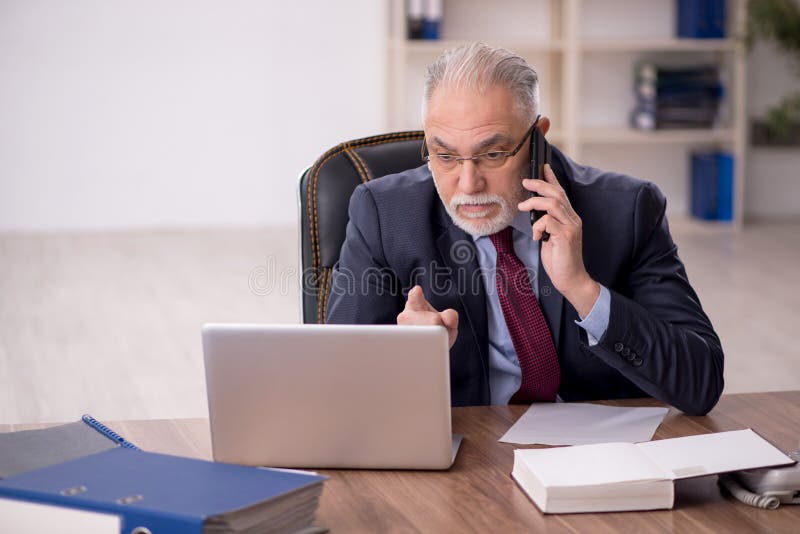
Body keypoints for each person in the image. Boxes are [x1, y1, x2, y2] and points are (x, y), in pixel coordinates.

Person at [326, 43, 723, 416]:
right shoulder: (383, 214)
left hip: (593, 455)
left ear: (537, 138)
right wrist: (405, 359)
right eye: (445, 156)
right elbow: (335, 387)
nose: (468, 184)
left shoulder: (627, 210)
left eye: (493, 154)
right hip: (463, 455)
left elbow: (700, 383)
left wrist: (584, 290)